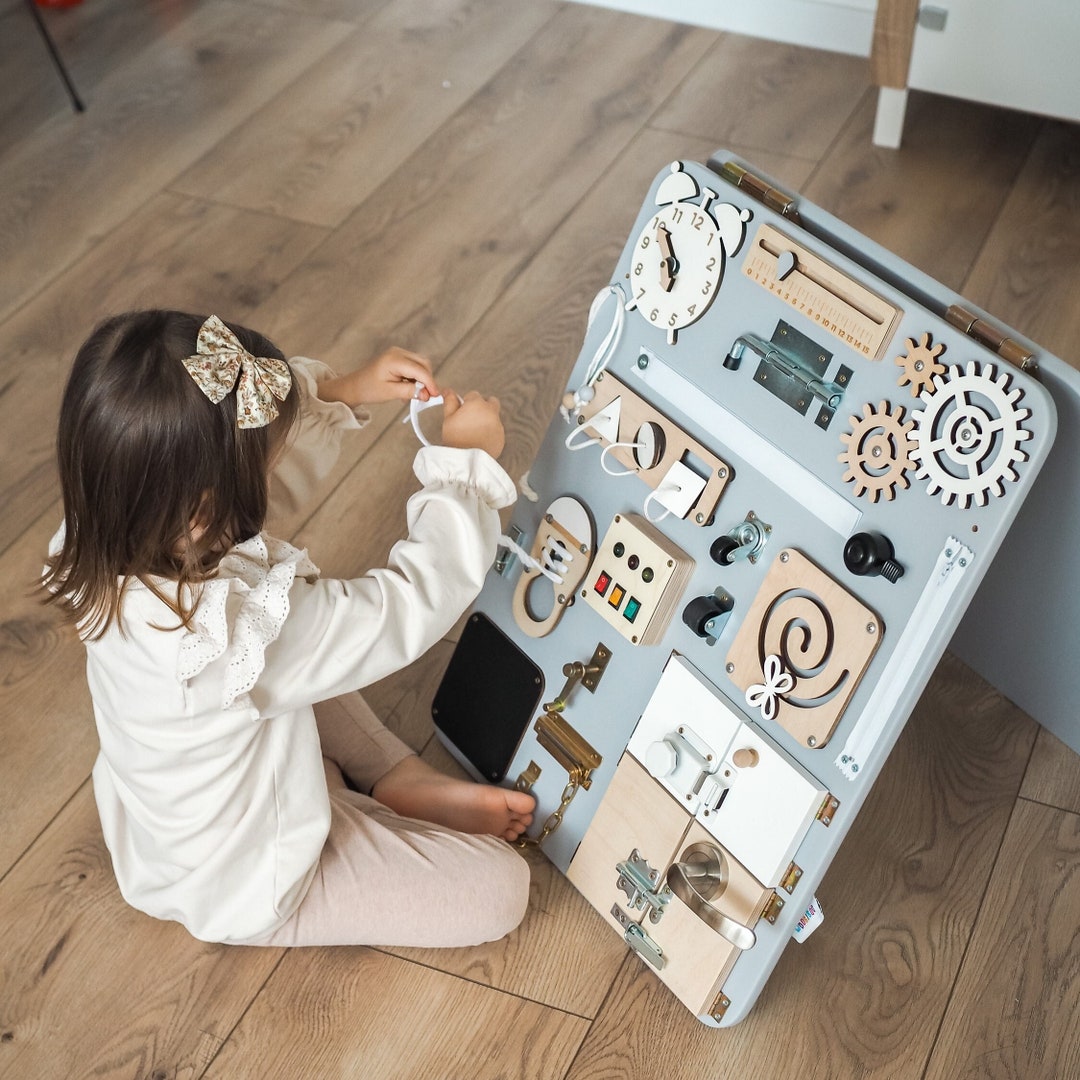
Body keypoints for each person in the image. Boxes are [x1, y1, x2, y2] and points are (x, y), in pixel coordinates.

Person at [41, 309, 535, 948]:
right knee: (499, 890)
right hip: (252, 879)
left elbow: (233, 450)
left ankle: (390, 775)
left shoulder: (101, 534)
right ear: (205, 511)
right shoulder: (235, 633)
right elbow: (404, 607)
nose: (274, 475)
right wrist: (463, 467)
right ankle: (355, 798)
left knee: (290, 639)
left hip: (177, 821)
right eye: (262, 471)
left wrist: (340, 390)